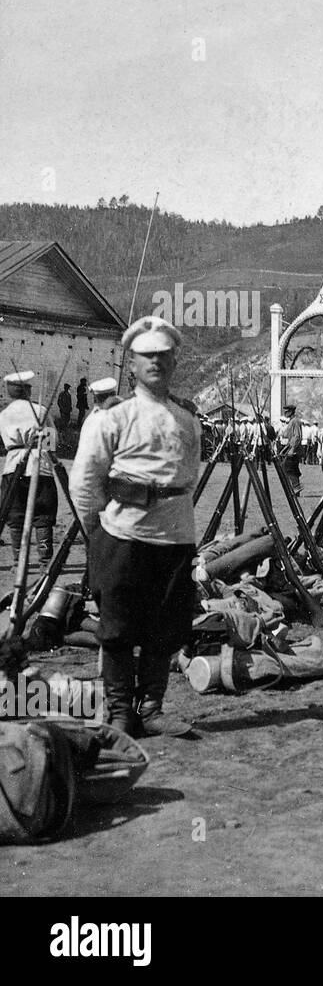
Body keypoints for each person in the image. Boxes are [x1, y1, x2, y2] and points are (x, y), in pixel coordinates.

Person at [69, 316, 200, 737]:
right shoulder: (111, 417)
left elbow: (188, 479)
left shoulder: (187, 419)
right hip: (123, 536)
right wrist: (98, 534)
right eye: (147, 356)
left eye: (163, 355)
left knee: (164, 626)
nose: (156, 363)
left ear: (174, 361)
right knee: (118, 628)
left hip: (174, 537)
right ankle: (122, 711)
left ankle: (152, 709)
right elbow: (86, 483)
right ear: (132, 364)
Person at [0, 370, 59, 564]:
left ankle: (18, 559)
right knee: (43, 511)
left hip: (13, 465)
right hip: (39, 465)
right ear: (27, 390)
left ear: (10, 392)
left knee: (14, 511)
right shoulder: (40, 411)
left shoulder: (4, 414)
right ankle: (44, 560)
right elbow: (51, 440)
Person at [276, 403, 304, 496]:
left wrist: (292, 449)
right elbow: (289, 435)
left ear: (291, 412)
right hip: (291, 447)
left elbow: (297, 436)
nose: (285, 413)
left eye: (287, 411)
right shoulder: (292, 421)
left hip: (294, 449)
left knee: (288, 468)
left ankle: (296, 487)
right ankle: (296, 488)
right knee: (291, 468)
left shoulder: (295, 421)